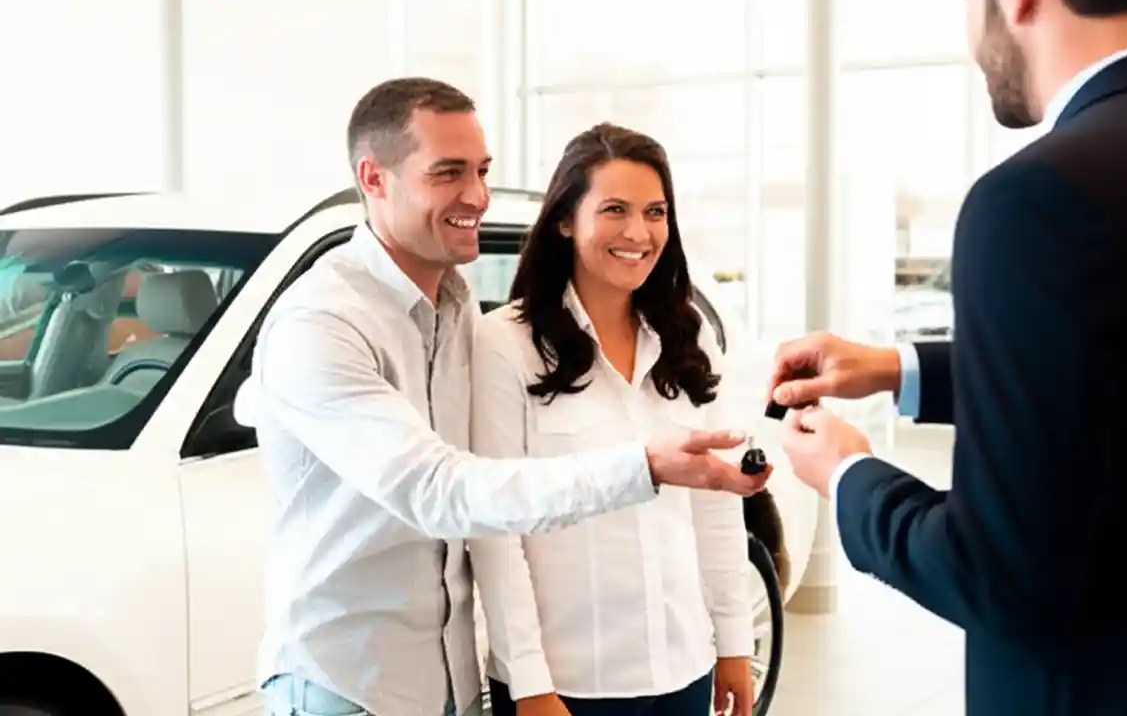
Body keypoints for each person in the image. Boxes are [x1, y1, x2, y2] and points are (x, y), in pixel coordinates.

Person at [769, 0, 1127, 714]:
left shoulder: (1030, 197)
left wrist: (848, 475)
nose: (970, 36)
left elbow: (996, 576)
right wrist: (898, 369)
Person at [251, 78, 768, 716]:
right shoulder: (325, 323)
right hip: (351, 686)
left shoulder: (455, 310)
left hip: (451, 678)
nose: (477, 196)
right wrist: (647, 466)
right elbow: (447, 494)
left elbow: (711, 515)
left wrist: (732, 639)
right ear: (374, 177)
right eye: (448, 173)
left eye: (481, 171)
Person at [467, 122, 758, 716]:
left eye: (655, 212)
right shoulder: (506, 344)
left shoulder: (687, 334)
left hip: (683, 666)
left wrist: (732, 642)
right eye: (615, 209)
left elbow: (716, 504)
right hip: (568, 682)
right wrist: (529, 683)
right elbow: (496, 527)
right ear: (565, 220)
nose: (638, 232)